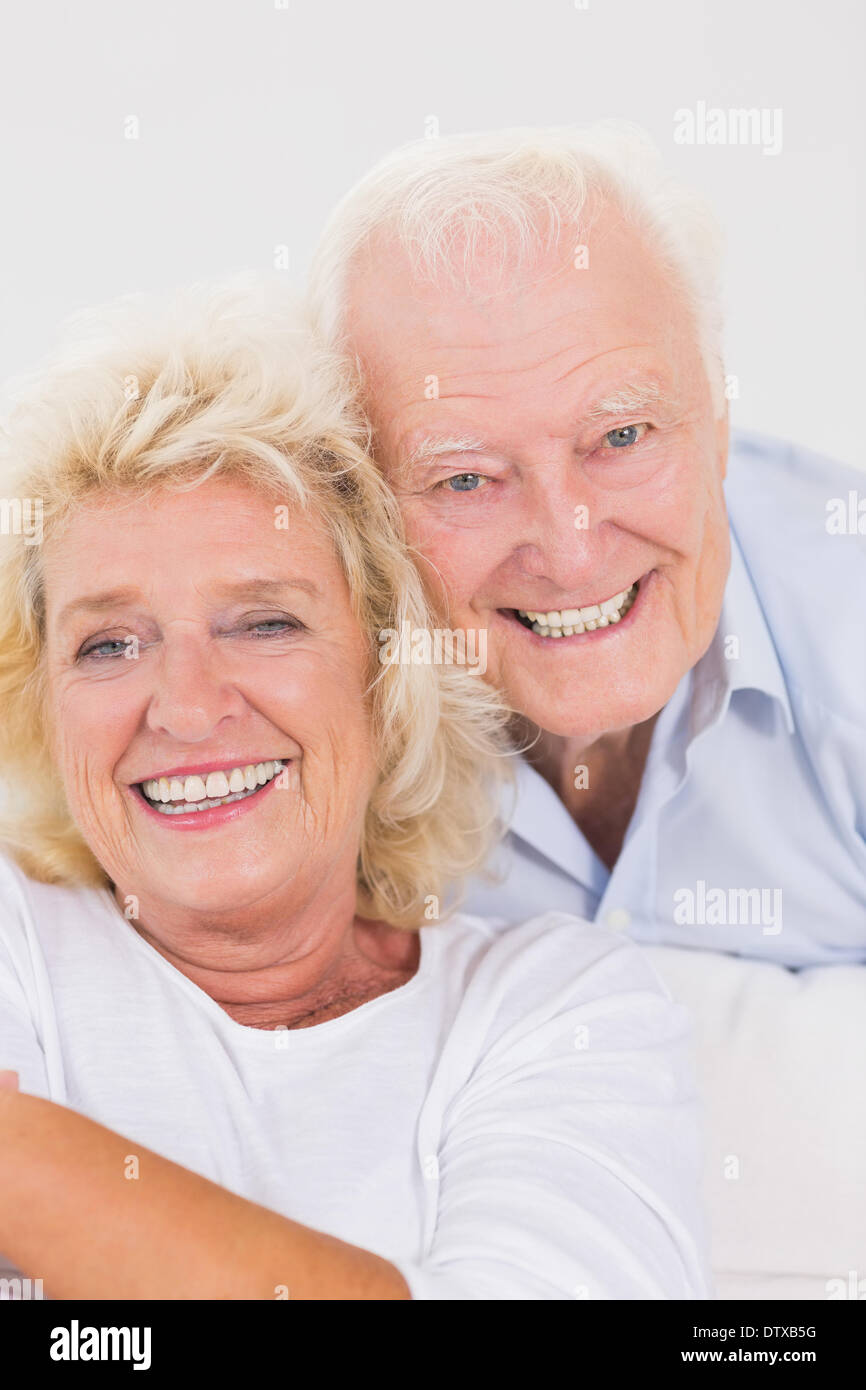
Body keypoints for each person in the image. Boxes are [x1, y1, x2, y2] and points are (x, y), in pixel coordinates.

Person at [0, 279, 709, 1300]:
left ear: (386, 673)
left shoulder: (554, 1005)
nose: (187, 708)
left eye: (264, 622)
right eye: (109, 643)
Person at [306, 121, 866, 968]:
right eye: (465, 480)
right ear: (361, 496)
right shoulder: (285, 699)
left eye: (623, 436)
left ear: (717, 416)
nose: (568, 553)